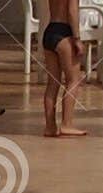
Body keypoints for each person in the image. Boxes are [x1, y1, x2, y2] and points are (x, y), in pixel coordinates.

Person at [40, 0, 87, 136]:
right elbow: (72, 11)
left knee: (53, 83)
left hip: (50, 30)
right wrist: (77, 39)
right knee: (73, 80)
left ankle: (50, 126)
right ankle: (67, 124)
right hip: (64, 33)